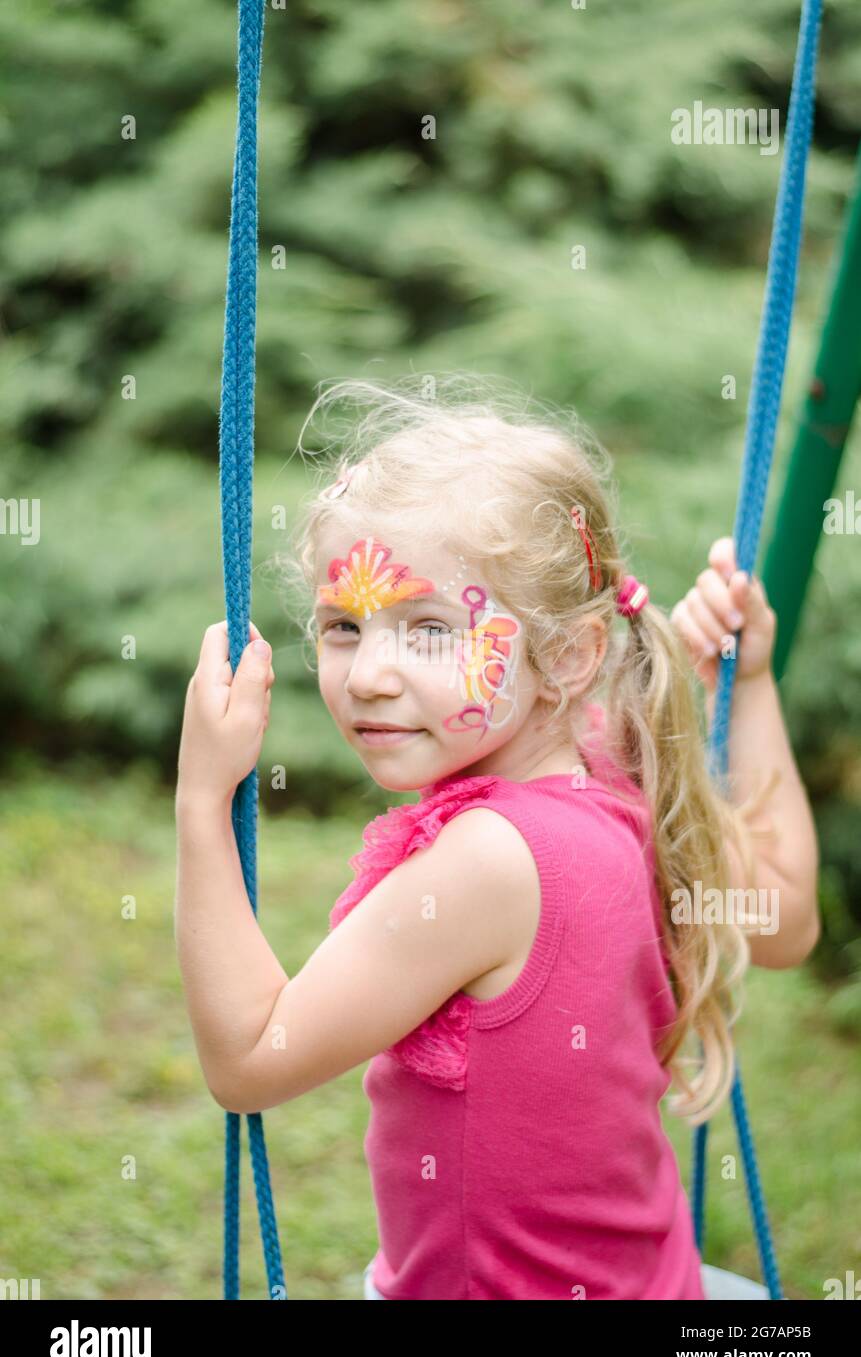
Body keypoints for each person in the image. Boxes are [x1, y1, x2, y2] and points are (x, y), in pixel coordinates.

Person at [175, 376, 820, 1300]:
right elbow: (788, 917)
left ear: (567, 655)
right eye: (344, 627)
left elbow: (249, 1060)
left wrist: (202, 802)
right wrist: (748, 687)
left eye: (432, 629)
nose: (368, 677)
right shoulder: (627, 782)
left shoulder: (487, 863)